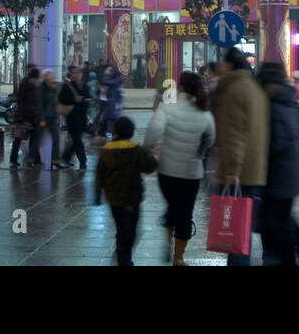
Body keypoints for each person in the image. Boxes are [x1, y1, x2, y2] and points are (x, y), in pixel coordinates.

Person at [143, 71, 216, 266]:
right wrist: (200, 154)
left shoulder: (168, 107)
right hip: (192, 173)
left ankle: (168, 239)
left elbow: (153, 132)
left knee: (173, 206)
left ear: (180, 87)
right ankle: (179, 257)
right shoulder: (205, 112)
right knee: (185, 212)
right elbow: (211, 138)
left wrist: (147, 152)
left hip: (167, 170)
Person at [213, 47, 270, 266]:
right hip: (256, 172)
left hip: (240, 176)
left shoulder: (233, 90)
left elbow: (234, 135)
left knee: (236, 242)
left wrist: (231, 173)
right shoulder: (256, 89)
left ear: (229, 65)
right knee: (242, 239)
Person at [256, 63, 299, 265]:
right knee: (282, 220)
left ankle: (289, 257)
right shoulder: (286, 101)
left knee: (277, 224)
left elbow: (277, 142)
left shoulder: (275, 105)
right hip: (286, 175)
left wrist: (259, 155)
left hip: (279, 175)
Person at [95, 116, 158, 266]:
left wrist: (97, 195)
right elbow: (149, 166)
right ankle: (125, 260)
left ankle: (122, 256)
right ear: (131, 132)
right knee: (130, 232)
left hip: (114, 199)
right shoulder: (136, 150)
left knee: (120, 228)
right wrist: (154, 157)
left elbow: (99, 175)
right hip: (132, 198)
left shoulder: (105, 152)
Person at [58, 66, 91, 170]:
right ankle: (83, 161)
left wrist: (86, 100)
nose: (76, 75)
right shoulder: (67, 87)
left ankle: (65, 157)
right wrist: (74, 99)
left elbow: (88, 97)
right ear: (71, 74)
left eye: (78, 73)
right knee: (77, 140)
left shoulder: (84, 86)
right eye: (74, 73)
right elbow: (62, 99)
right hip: (72, 117)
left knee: (76, 140)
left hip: (82, 117)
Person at [10, 67, 43, 168]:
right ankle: (15, 159)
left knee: (33, 138)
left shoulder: (31, 86)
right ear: (33, 78)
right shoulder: (27, 86)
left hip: (31, 117)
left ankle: (35, 159)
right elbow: (23, 103)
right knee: (20, 138)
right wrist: (24, 119)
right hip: (25, 117)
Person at [40, 70, 62, 167]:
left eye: (52, 77)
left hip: (52, 117)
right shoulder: (42, 89)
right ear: (45, 78)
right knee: (38, 138)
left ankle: (55, 161)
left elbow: (56, 101)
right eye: (49, 77)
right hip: (43, 118)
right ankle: (33, 158)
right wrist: (41, 118)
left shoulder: (53, 89)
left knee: (56, 138)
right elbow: (40, 104)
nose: (51, 79)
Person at [99, 65, 125, 138]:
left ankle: (109, 142)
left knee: (109, 130)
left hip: (112, 109)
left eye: (110, 71)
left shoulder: (114, 84)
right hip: (117, 109)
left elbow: (105, 81)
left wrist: (106, 74)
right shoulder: (119, 83)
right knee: (113, 129)